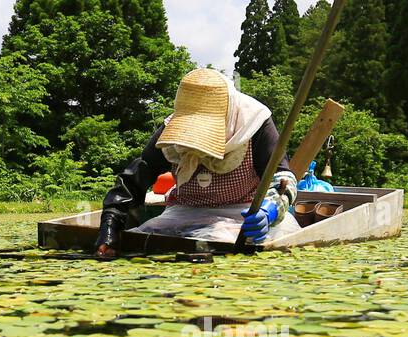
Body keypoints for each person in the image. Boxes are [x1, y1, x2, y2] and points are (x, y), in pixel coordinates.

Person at [94, 68, 299, 258]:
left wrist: (269, 210)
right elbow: (133, 180)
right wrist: (111, 223)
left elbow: (283, 177)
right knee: (145, 239)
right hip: (183, 212)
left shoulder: (254, 123)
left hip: (241, 214)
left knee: (219, 245)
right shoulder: (171, 132)